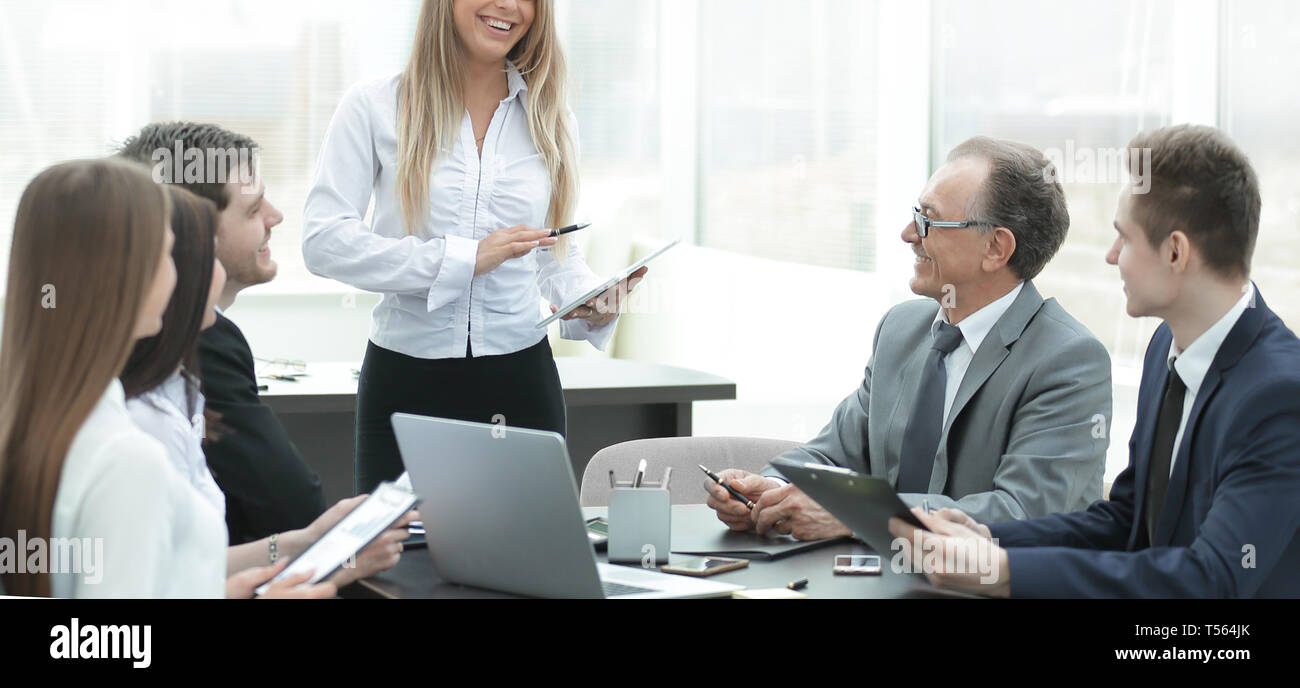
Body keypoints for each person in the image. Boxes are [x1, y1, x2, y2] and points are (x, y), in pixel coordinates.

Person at [890, 124, 1300, 598]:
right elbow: (1125, 522)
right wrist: (988, 538)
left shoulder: (1279, 395)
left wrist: (1003, 570)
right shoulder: (1166, 348)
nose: (1110, 257)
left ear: (1175, 252)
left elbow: (1212, 579)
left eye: (1123, 238)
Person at [302, 0, 645, 494]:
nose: (509, 6)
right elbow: (323, 241)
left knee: (524, 562)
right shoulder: (374, 106)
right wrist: (463, 258)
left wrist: (590, 302)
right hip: (405, 382)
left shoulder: (552, 118)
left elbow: (553, 255)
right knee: (399, 566)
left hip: (521, 381)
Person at [706, 137, 1112, 540]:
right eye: (915, 215)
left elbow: (1023, 512)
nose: (907, 234)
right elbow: (836, 453)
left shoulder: (1068, 359)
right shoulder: (901, 329)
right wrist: (771, 491)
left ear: (995, 248)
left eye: (928, 221)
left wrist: (859, 517)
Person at [0, 158, 325, 597]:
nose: (183, 274)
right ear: (126, 277)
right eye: (169, 254)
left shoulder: (37, 417)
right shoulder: (126, 458)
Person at [121, 186, 411, 592]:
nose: (215, 269)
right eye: (206, 257)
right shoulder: (137, 430)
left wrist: (310, 542)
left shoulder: (166, 394)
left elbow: (182, 564)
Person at [117, 122, 328, 545]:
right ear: (192, 234)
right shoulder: (203, 341)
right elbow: (291, 507)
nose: (276, 216)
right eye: (252, 210)